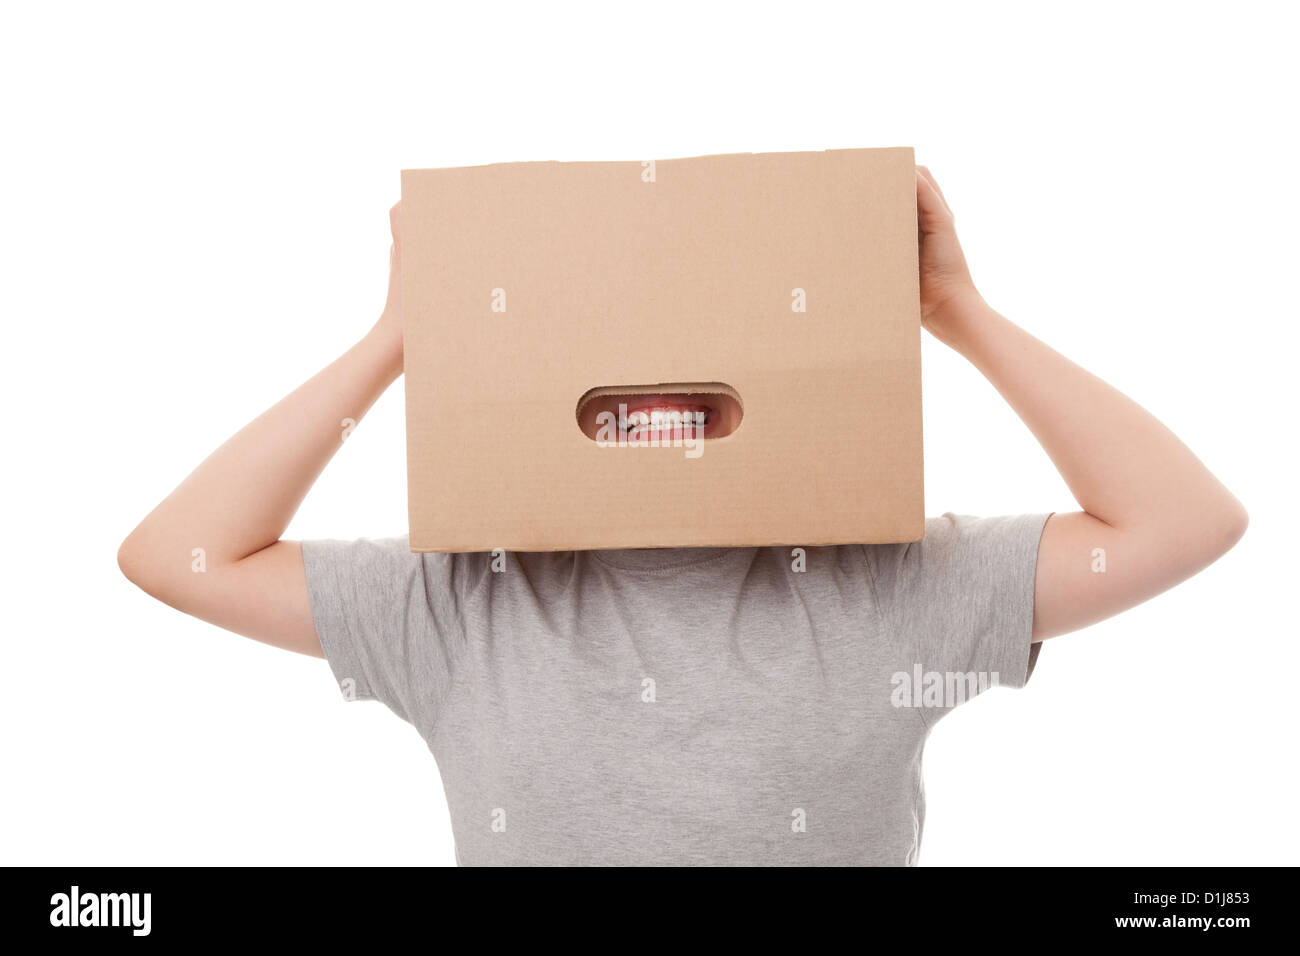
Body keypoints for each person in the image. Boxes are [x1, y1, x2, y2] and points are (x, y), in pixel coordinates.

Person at [117, 166, 1247, 865]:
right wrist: (404, 337)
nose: (654, 388)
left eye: (697, 341)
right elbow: (177, 556)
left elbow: (1179, 521)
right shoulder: (465, 598)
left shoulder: (895, 584)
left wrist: (956, 309)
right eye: (619, 350)